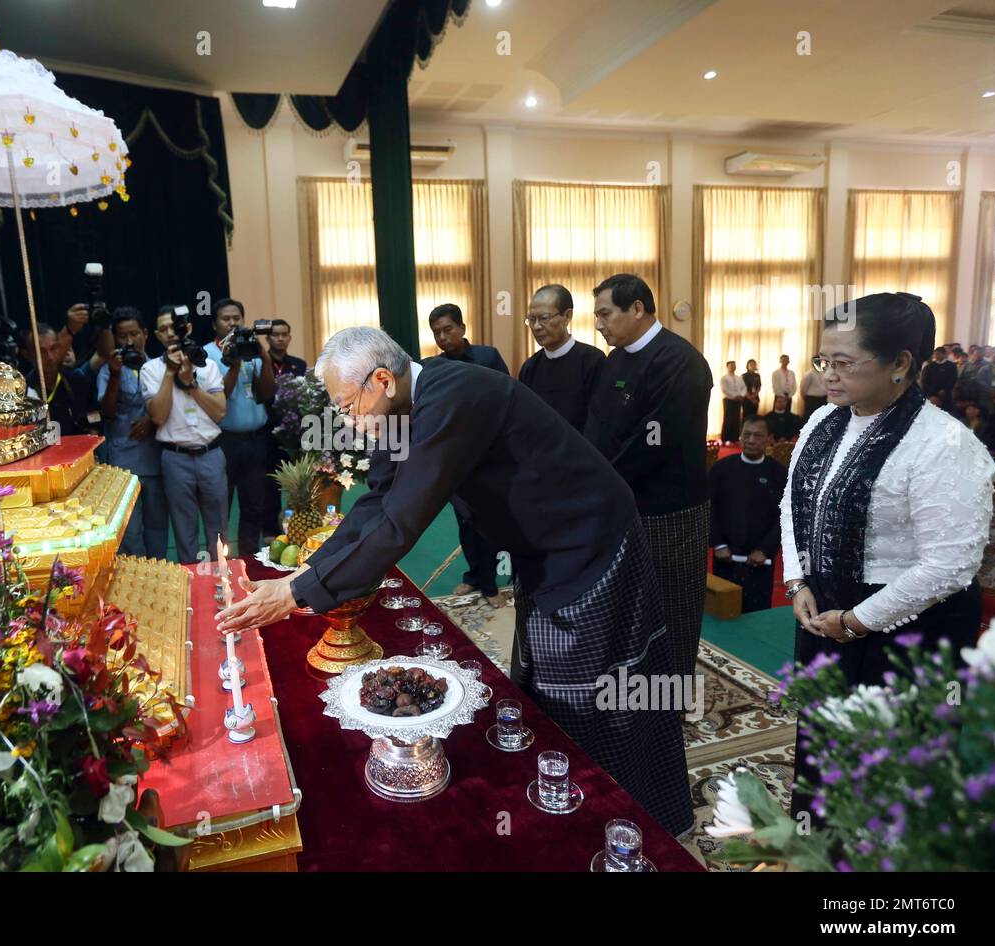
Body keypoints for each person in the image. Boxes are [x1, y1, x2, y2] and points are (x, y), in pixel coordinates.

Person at [216, 326, 693, 836]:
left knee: (592, 689)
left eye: (348, 407)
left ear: (383, 380)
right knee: (543, 678)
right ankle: (568, 792)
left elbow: (400, 521)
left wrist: (296, 594)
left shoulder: (453, 399)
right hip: (544, 548)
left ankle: (626, 817)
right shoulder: (406, 407)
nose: (348, 422)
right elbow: (378, 500)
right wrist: (306, 575)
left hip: (589, 541)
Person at [781, 292, 995, 819]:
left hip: (907, 627)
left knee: (892, 766)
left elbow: (949, 566)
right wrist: (798, 581)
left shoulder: (943, 443)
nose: (828, 376)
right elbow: (792, 504)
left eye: (844, 362)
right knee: (824, 745)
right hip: (828, 611)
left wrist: (857, 621)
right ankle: (819, 844)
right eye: (823, 361)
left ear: (900, 363)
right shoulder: (824, 421)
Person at [585, 273, 713, 677]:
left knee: (671, 611)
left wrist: (599, 484)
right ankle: (629, 687)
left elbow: (652, 443)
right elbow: (598, 428)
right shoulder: (615, 359)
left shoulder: (680, 362)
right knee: (625, 608)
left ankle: (669, 700)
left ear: (637, 308)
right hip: (619, 503)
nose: (599, 324)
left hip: (668, 513)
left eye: (605, 314)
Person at [429, 303, 508, 608]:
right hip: (456, 458)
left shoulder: (488, 357)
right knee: (464, 522)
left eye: (448, 329)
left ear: (462, 328)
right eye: (437, 332)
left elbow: (506, 397)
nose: (443, 337)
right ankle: (474, 575)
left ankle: (490, 584)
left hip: (488, 455)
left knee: (488, 521)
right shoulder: (434, 367)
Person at [141, 306, 228, 564]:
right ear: (157, 335)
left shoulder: (208, 365)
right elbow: (157, 417)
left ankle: (224, 579)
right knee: (184, 531)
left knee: (219, 528)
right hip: (175, 457)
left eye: (174, 327)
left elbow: (219, 412)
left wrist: (190, 383)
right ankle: (192, 584)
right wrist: (170, 373)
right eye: (163, 329)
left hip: (211, 453)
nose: (170, 333)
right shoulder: (150, 369)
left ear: (187, 328)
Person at [204, 298, 276, 558]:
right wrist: (233, 366)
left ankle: (249, 559)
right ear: (215, 324)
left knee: (254, 504)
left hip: (256, 440)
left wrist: (264, 356)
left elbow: (267, 393)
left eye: (237, 318)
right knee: (221, 504)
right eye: (226, 319)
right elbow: (218, 399)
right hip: (224, 441)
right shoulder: (208, 354)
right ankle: (221, 562)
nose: (232, 323)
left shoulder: (251, 349)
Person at [98, 307, 168, 558]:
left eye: (134, 334)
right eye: (122, 336)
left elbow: (171, 406)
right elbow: (106, 412)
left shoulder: (160, 367)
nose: (129, 341)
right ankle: (137, 576)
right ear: (115, 339)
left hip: (155, 458)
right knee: (130, 530)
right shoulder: (108, 370)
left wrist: (152, 420)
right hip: (123, 462)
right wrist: (115, 376)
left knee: (158, 526)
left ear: (145, 334)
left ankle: (159, 572)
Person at [708, 416, 787, 613]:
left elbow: (785, 516)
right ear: (740, 436)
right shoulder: (721, 469)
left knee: (756, 616)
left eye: (758, 436)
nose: (751, 440)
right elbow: (708, 508)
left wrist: (765, 550)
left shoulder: (779, 474)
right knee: (722, 614)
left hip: (761, 562)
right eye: (747, 435)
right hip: (725, 558)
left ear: (769, 439)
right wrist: (718, 544)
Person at [516, 284, 605, 431]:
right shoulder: (530, 367)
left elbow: (599, 419)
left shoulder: (592, 360)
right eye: (531, 319)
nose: (536, 326)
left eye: (544, 318)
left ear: (567, 316)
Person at [263, 319, 308, 539]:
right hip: (267, 435)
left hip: (294, 437)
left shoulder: (299, 365)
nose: (280, 338)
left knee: (297, 486)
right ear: (267, 338)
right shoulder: (260, 364)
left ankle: (297, 530)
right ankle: (271, 533)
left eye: (284, 334)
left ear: (290, 337)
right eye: (275, 334)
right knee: (269, 487)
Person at [23, 323, 96, 438]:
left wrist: (92, 432)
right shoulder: (24, 392)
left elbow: (95, 415)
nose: (50, 357)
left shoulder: (78, 381)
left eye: (53, 348)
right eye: (42, 352)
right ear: (27, 355)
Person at [720, 361, 745, 443]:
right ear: (727, 367)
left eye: (734, 365)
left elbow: (744, 388)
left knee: (736, 419)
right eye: (731, 366)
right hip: (728, 400)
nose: (733, 367)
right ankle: (725, 438)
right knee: (728, 418)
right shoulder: (724, 378)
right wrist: (734, 396)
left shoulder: (739, 378)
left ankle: (734, 438)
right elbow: (724, 389)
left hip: (738, 400)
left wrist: (741, 395)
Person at [975, 346, 995, 416]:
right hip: (985, 396)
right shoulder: (984, 369)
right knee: (984, 415)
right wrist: (990, 390)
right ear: (992, 357)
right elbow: (979, 380)